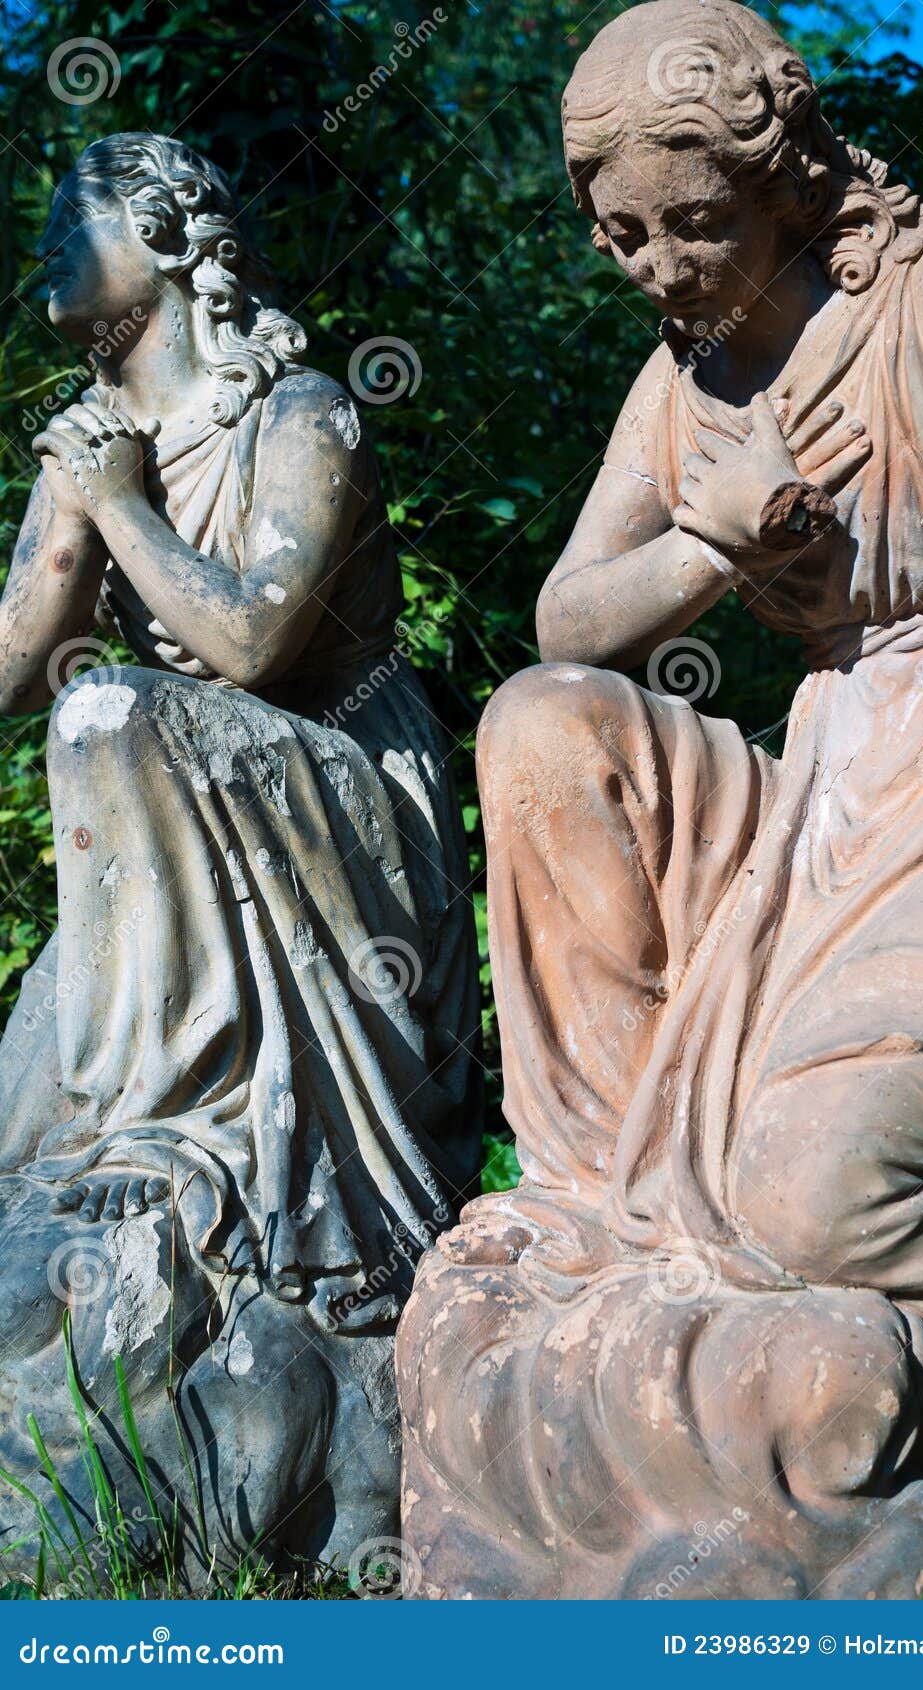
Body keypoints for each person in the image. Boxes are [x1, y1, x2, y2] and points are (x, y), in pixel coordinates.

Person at [398, 0, 923, 1599]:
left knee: (823, 1181)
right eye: (620, 232)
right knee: (546, 720)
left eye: (693, 220)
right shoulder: (686, 374)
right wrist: (714, 544)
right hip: (837, 775)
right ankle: (609, 1197)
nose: (656, 263)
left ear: (791, 175)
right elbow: (569, 617)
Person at [0, 132, 479, 1577]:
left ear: (163, 240)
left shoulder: (299, 411)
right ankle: (136, 1123)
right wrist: (78, 513)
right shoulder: (88, 435)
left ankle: (189, 1137)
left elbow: (259, 642)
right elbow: (17, 666)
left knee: (107, 719)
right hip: (161, 776)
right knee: (92, 736)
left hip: (334, 791)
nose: (40, 244)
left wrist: (123, 504)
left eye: (70, 221)